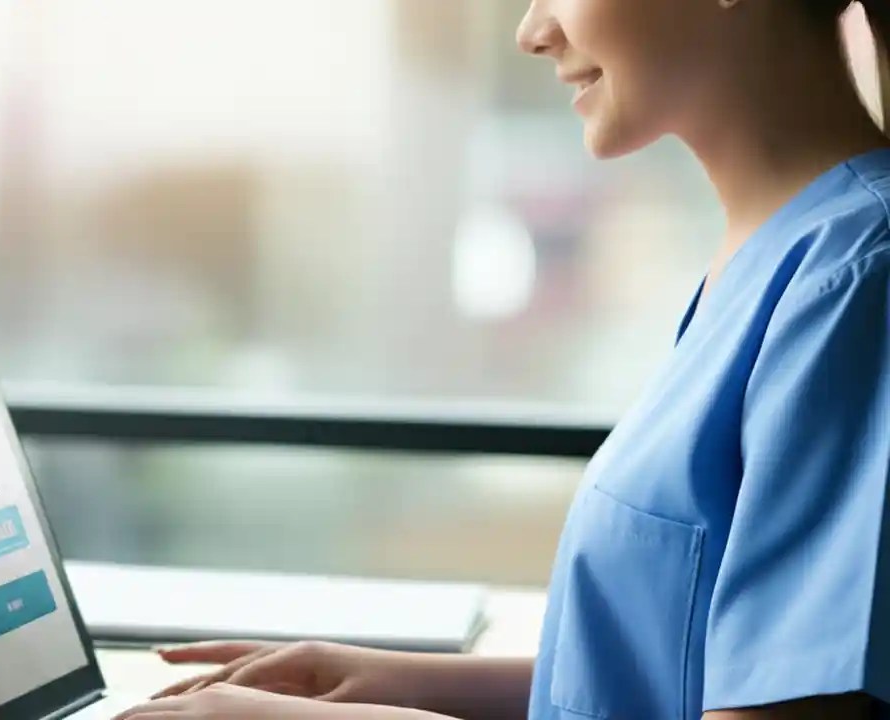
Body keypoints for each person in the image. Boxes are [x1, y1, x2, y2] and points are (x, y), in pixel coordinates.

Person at [113, 0, 890, 716]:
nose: (532, 29)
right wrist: (394, 682)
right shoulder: (778, 252)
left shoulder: (855, 283)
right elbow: (669, 674)